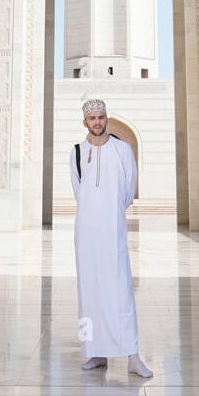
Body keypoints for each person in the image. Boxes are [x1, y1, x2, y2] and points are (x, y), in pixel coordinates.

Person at [70, 98, 153, 377]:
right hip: (86, 234)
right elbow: (79, 191)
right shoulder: (78, 153)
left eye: (101, 117)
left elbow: (129, 189)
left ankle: (132, 355)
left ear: (106, 119)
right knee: (89, 292)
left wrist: (110, 212)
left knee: (120, 291)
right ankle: (96, 353)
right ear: (85, 122)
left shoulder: (122, 149)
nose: (97, 122)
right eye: (92, 118)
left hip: (112, 230)